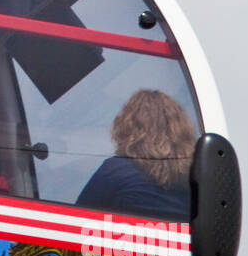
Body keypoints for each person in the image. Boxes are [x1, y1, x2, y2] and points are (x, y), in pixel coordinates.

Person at [76, 89, 195, 219]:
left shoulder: (117, 169)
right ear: (181, 133)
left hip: (124, 238)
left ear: (128, 128)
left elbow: (79, 220)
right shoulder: (191, 182)